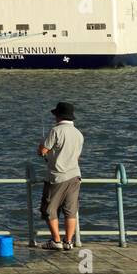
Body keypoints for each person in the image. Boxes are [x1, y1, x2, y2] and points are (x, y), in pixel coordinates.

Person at [38, 101, 83, 251]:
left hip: (57, 177)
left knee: (49, 209)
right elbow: (77, 157)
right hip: (75, 176)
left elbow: (43, 150)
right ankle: (68, 242)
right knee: (70, 210)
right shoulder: (78, 134)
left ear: (58, 116)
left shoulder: (55, 131)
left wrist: (41, 150)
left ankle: (56, 241)